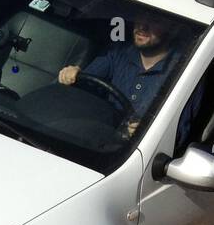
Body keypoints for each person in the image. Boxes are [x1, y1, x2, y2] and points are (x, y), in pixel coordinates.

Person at [58, 14, 203, 146]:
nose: (142, 26)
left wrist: (147, 131)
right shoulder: (118, 52)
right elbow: (84, 89)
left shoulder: (185, 73)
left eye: (155, 20)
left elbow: (176, 136)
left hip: (137, 155)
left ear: (173, 29)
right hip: (93, 139)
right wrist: (72, 75)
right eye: (141, 17)